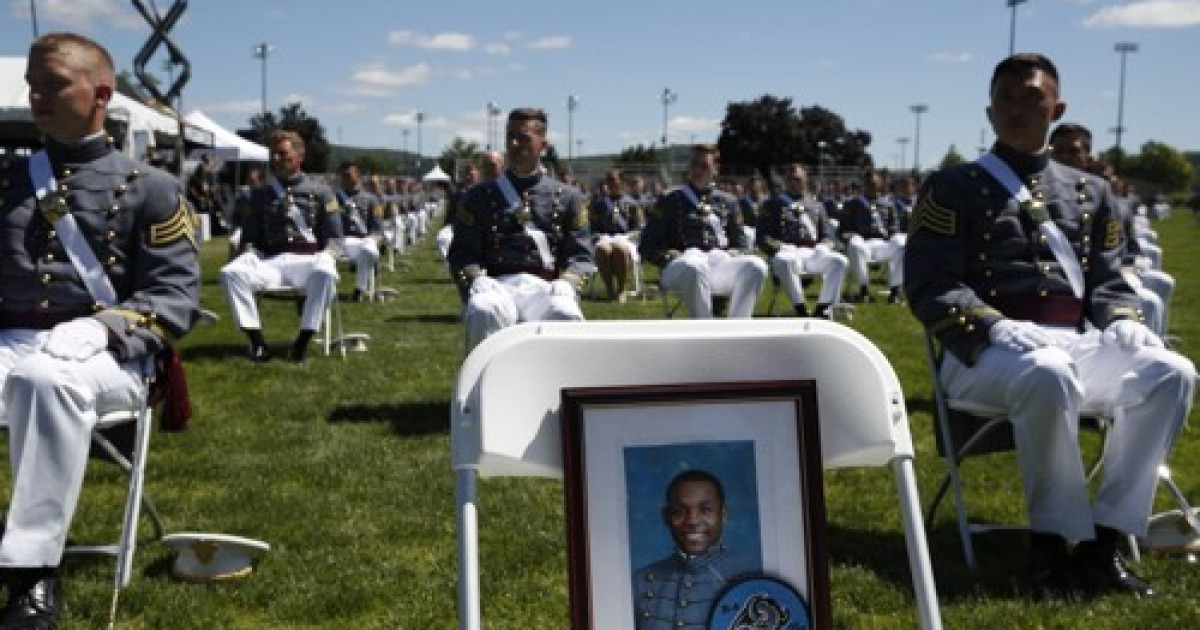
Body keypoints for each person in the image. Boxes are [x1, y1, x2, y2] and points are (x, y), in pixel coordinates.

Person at [905, 52, 1196, 599]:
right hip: (981, 353)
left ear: (1056, 109)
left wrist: (1123, 319)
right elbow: (930, 284)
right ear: (989, 112)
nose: (1017, 109)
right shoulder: (952, 187)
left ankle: (1103, 543)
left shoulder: (1092, 192)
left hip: (1070, 344)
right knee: (1047, 372)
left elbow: (1109, 281)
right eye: (1006, 99)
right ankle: (1048, 548)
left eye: (1032, 98)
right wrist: (992, 326)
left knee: (1171, 373)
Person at [0, 32, 201, 628]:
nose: (38, 93)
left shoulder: (152, 188)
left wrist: (105, 328)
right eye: (33, 83)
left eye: (55, 83)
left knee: (45, 379)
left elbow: (174, 296)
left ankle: (31, 576)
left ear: (101, 93)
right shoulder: (7, 183)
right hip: (12, 340)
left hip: (110, 353)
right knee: (34, 368)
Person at [447, 107, 592, 352]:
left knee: (565, 313)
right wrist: (475, 278)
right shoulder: (478, 196)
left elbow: (581, 255)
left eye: (523, 137)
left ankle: (556, 388)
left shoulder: (569, 197)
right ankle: (479, 388)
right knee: (484, 309)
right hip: (497, 286)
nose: (514, 145)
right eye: (510, 137)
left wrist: (568, 282)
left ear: (542, 144)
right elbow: (462, 253)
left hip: (546, 288)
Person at [219, 129, 343, 363]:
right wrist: (249, 254)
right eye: (273, 154)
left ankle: (302, 342)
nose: (276, 159)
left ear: (299, 156)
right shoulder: (257, 194)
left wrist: (328, 255)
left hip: (308, 260)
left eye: (282, 154)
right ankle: (257, 343)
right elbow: (251, 238)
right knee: (231, 273)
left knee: (326, 272)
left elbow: (336, 238)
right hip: (272, 261)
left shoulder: (322, 192)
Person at [1048, 124, 1175, 339]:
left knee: (1149, 300)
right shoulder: (1038, 192)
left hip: (1103, 278)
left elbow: (1120, 246)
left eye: (1073, 151)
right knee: (1148, 301)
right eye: (1058, 151)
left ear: (1088, 157)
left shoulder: (1101, 193)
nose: (1065, 157)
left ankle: (1153, 344)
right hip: (1056, 290)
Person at [640, 145, 767, 318]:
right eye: (694, 164)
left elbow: (740, 241)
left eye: (704, 165)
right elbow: (647, 244)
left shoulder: (729, 201)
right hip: (681, 265)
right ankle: (705, 329)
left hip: (718, 263)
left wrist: (738, 251)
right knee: (695, 266)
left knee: (756, 266)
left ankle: (737, 328)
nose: (697, 170)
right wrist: (666, 255)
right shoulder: (671, 199)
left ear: (716, 168)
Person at [632, 470, 759, 630]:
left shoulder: (753, 577)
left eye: (705, 510)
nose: (692, 521)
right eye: (680, 511)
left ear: (723, 514)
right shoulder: (641, 581)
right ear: (666, 517)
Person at [756, 163, 848, 318]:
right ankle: (801, 309)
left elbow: (827, 235)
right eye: (791, 179)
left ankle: (822, 308)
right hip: (786, 252)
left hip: (812, 253)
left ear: (805, 180)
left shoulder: (817, 205)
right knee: (786, 260)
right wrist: (779, 247)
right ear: (785, 181)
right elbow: (762, 238)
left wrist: (825, 246)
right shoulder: (773, 204)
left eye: (798, 179)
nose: (794, 182)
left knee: (839, 261)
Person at [839, 169, 906, 304]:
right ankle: (863, 290)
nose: (872, 186)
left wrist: (892, 234)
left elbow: (895, 227)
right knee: (855, 243)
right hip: (863, 243)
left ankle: (895, 291)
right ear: (864, 185)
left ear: (880, 184)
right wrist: (850, 235)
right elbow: (842, 230)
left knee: (900, 242)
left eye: (874, 184)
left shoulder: (888, 204)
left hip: (883, 243)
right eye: (869, 183)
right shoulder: (853, 203)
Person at [334, 162, 383, 301]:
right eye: (342, 176)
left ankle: (359, 289)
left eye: (348, 175)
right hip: (340, 241)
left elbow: (378, 227)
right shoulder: (333, 198)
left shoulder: (372, 199)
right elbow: (329, 221)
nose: (345, 178)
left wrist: (375, 240)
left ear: (358, 176)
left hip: (362, 241)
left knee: (368, 248)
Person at [589, 168, 639, 302]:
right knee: (603, 249)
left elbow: (638, 227)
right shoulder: (599, 203)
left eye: (613, 180)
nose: (610, 183)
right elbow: (592, 225)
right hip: (605, 237)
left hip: (624, 237)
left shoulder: (632, 203)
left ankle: (621, 289)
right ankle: (610, 290)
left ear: (621, 182)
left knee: (619, 249)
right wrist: (597, 236)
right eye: (608, 180)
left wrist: (630, 236)